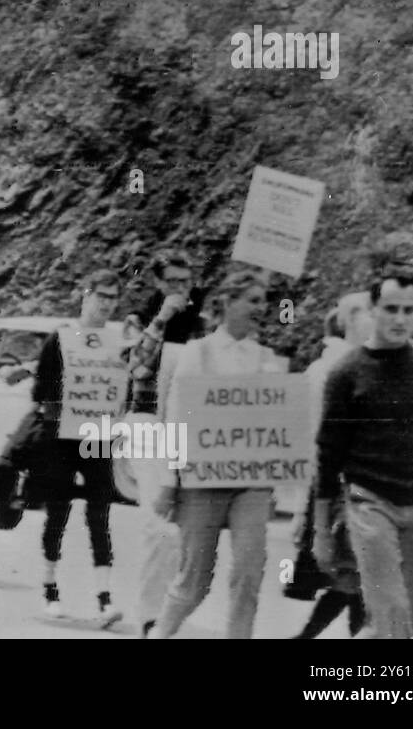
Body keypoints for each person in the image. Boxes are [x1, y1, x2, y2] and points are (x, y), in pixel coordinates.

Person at [314, 264, 413, 639]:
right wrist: (321, 530)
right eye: (391, 309)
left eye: (409, 310)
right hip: (369, 504)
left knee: (405, 620)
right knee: (391, 611)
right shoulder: (347, 372)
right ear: (373, 309)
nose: (400, 319)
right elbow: (328, 456)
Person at [149, 269, 287, 639]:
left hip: (250, 483)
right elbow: (177, 417)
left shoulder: (266, 360)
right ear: (227, 302)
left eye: (264, 302)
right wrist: (169, 481)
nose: (261, 308)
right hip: (202, 480)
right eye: (253, 300)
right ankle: (160, 633)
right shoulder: (198, 353)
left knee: (249, 571)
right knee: (194, 579)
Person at [27, 269, 127, 625]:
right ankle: (50, 589)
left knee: (100, 514)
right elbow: (40, 390)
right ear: (86, 296)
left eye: (113, 298)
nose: (106, 304)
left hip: (97, 436)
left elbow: (123, 389)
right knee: (58, 512)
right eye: (101, 296)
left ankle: (104, 599)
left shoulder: (118, 341)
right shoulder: (62, 337)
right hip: (62, 436)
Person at [123, 250, 208, 637]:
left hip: (184, 421)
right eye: (172, 281)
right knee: (159, 521)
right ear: (158, 283)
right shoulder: (140, 319)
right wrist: (162, 318)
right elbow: (135, 365)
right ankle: (147, 615)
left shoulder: (199, 323)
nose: (179, 288)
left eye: (185, 282)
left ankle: (149, 608)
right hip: (146, 419)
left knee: (176, 525)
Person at [290, 292, 373, 638]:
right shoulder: (329, 369)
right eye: (372, 312)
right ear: (351, 320)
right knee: (356, 579)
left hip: (363, 485)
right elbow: (314, 436)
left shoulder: (371, 364)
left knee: (356, 580)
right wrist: (301, 508)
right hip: (338, 487)